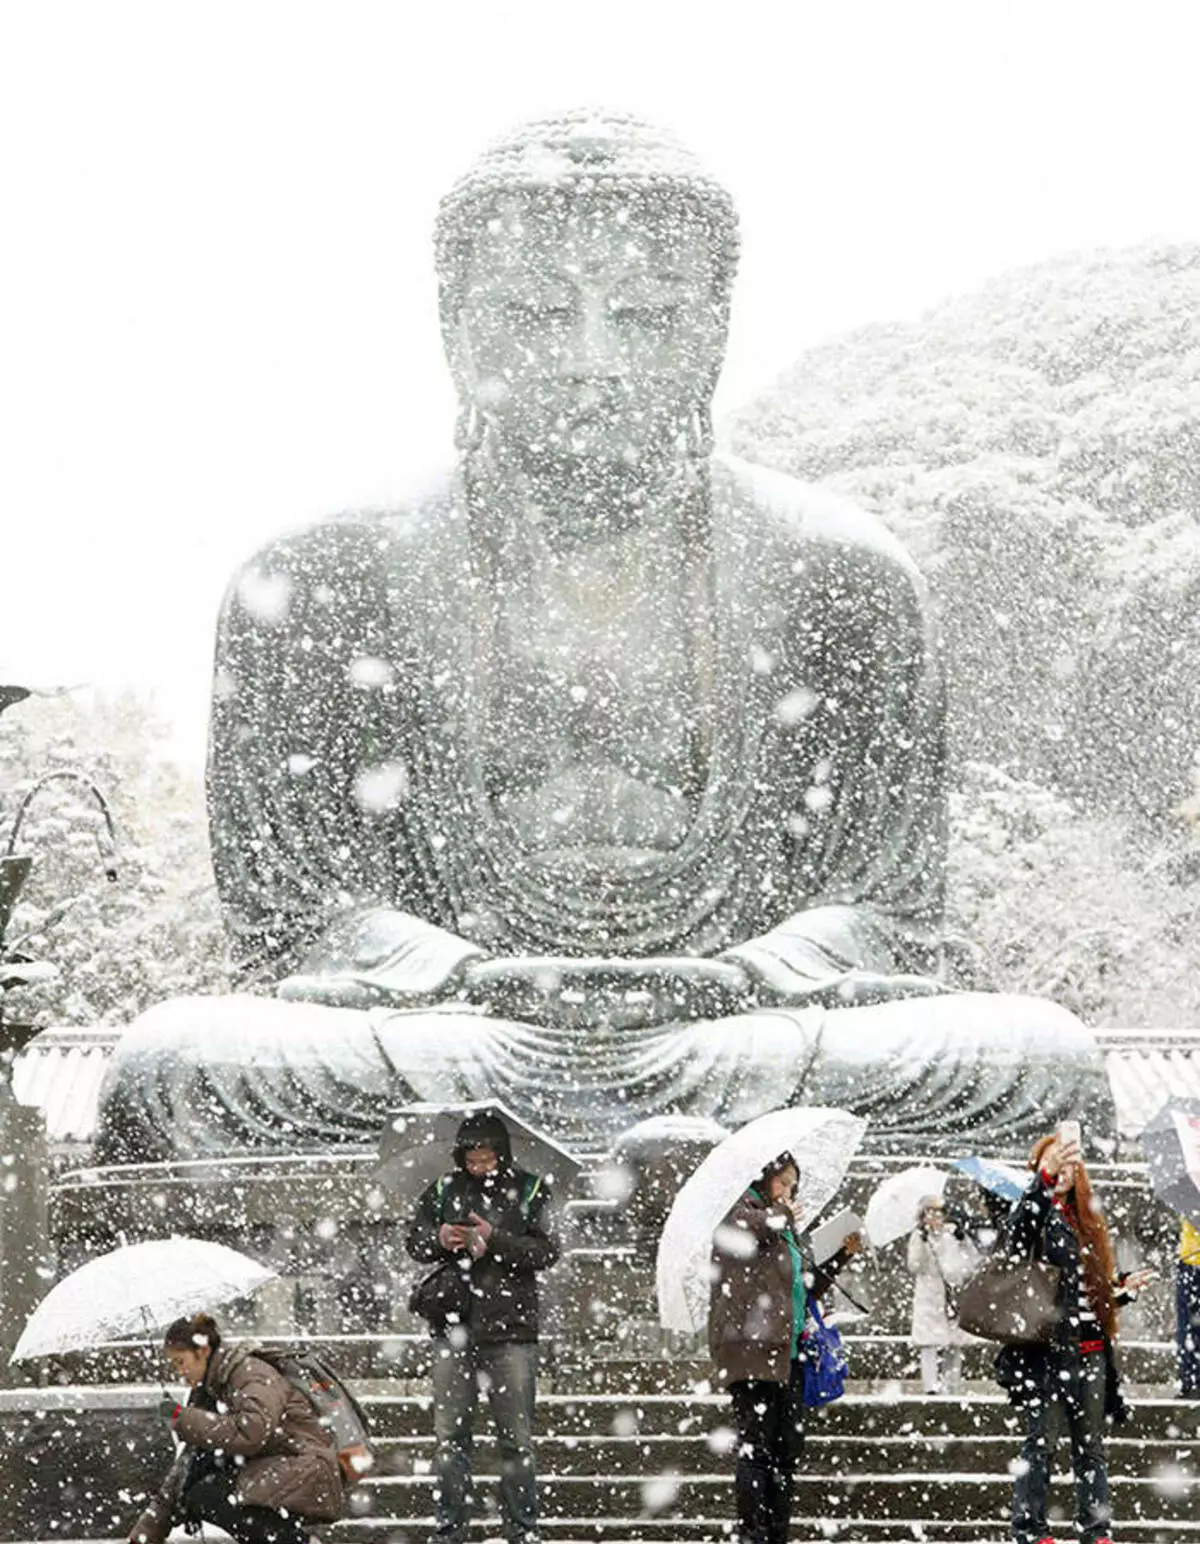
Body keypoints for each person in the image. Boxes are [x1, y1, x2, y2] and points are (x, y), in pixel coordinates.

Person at [95, 109, 1112, 1169]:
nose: (590, 361)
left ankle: (568, 1133)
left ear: (713, 327)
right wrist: (462, 975)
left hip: (741, 1034)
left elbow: (890, 915)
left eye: (644, 314)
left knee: (1039, 1060)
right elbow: (292, 920)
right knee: (178, 1066)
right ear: (458, 326)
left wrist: (746, 976)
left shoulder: (841, 573)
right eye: (535, 310)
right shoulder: (315, 577)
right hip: (451, 1033)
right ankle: (626, 1138)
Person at [404, 1109, 559, 1544]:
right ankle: (448, 1535)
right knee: (450, 1437)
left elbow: (547, 1251)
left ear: (501, 1152)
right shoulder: (442, 1190)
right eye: (471, 1156)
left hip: (511, 1330)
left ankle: (524, 1533)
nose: (478, 1163)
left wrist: (497, 1241)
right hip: (454, 1325)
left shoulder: (530, 1189)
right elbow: (413, 1242)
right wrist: (440, 1237)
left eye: (486, 1155)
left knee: (516, 1439)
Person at [995, 1130, 1155, 1544]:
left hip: (1090, 1352)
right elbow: (1017, 1242)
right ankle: (1030, 1531)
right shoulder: (1032, 1213)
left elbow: (1086, 1295)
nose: (1063, 1170)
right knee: (1040, 1444)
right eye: (1053, 1162)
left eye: (1069, 1163)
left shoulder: (1085, 1221)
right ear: (1039, 1169)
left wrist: (1121, 1289)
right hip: (1047, 1353)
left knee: (1092, 1448)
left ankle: (1096, 1530)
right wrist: (1042, 1185)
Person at [708, 1150, 860, 1544]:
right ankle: (754, 1543)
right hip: (751, 1349)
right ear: (764, 1178)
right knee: (757, 1447)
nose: (789, 1192)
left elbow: (804, 1288)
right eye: (784, 1182)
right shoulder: (738, 1212)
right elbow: (752, 1234)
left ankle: (778, 1539)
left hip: (788, 1350)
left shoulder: (781, 1225)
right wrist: (780, 1214)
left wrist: (839, 1256)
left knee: (786, 1448)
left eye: (793, 1185)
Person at [109, 1313, 342, 1544]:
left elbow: (251, 1432)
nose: (179, 1372)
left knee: (209, 1493)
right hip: (274, 1468)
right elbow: (185, 1469)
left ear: (204, 1351)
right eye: (174, 1365)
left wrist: (183, 1418)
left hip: (305, 1466)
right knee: (196, 1486)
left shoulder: (250, 1373)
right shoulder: (211, 1390)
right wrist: (143, 1543)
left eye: (181, 1361)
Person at [906, 1196, 980, 1394]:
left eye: (938, 1212)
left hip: (952, 1294)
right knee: (928, 1343)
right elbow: (914, 1265)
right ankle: (930, 1386)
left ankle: (951, 1385)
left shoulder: (952, 1235)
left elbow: (971, 1262)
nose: (935, 1217)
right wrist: (922, 1243)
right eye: (930, 1212)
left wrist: (963, 1240)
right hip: (929, 1295)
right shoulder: (918, 1236)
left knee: (954, 1343)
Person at [1176, 1215, 1200, 1397]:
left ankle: (1191, 1379)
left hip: (1191, 1262)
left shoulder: (1190, 1191)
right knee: (1188, 1326)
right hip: (1191, 1261)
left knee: (1188, 1326)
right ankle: (1191, 1379)